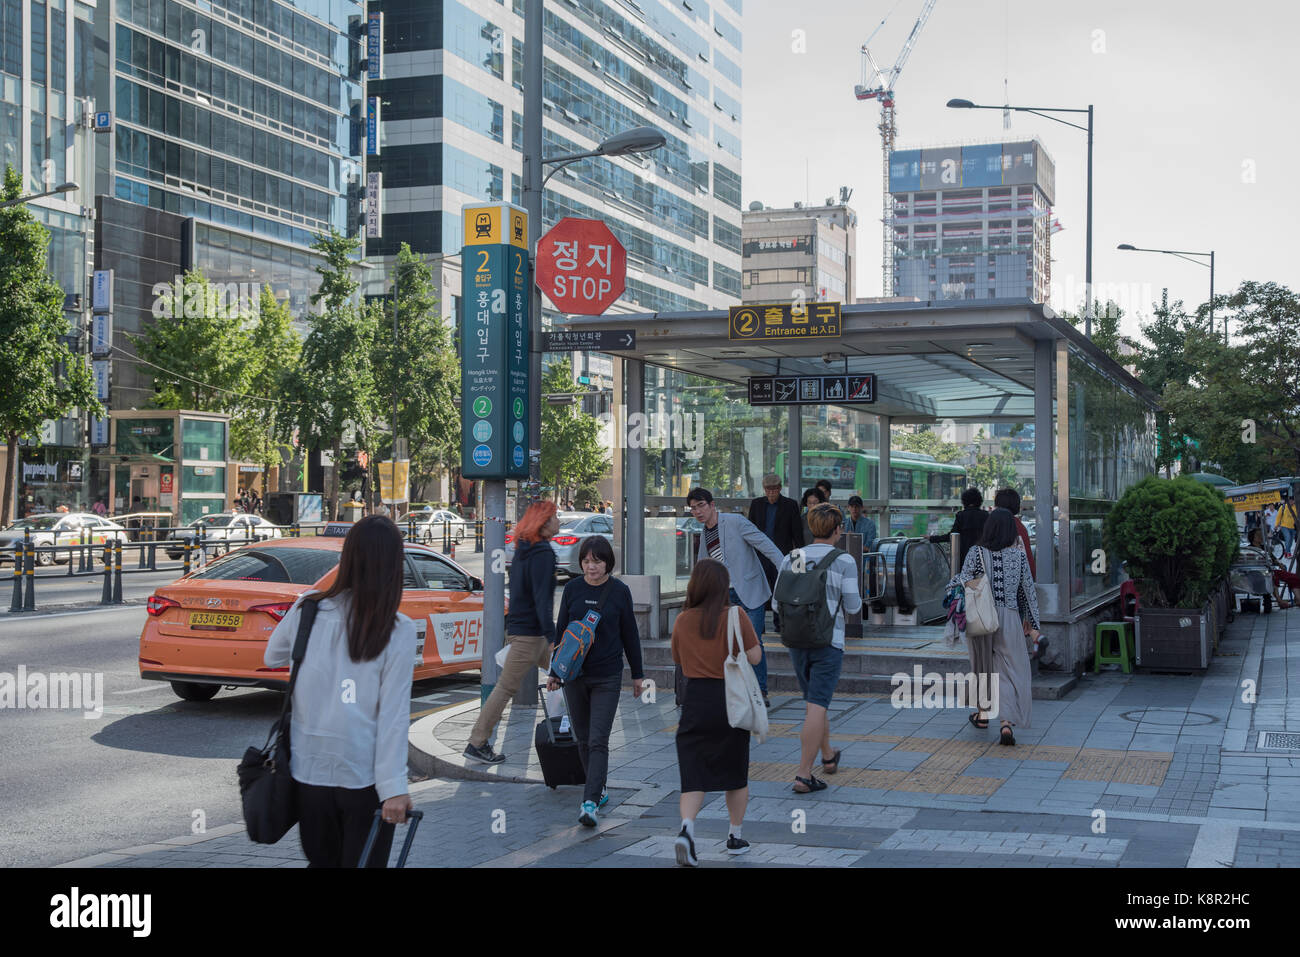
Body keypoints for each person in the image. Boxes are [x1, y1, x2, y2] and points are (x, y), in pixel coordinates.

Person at [263, 516, 415, 867]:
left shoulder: (309, 608)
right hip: (363, 777)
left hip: (308, 770)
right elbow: (393, 715)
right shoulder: (396, 630)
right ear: (393, 565)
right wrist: (394, 788)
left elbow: (272, 655)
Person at [670, 558, 762, 865]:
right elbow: (756, 656)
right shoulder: (736, 615)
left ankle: (686, 830)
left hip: (695, 701)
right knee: (735, 772)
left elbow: (678, 657)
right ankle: (734, 837)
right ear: (723, 587)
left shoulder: (682, 619)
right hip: (730, 701)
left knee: (693, 773)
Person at [548, 536, 644, 828]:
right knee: (584, 738)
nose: (591, 567)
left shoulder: (619, 592)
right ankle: (598, 788)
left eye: (597, 561)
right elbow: (562, 631)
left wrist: (638, 675)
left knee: (599, 739)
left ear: (608, 563)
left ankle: (589, 802)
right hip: (575, 676)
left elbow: (630, 634)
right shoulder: (573, 589)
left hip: (607, 676)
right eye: (587, 561)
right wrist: (555, 671)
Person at [774, 502, 862, 793]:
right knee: (816, 706)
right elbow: (853, 605)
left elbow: (777, 602)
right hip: (828, 641)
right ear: (838, 529)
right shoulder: (843, 560)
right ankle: (802, 775)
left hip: (796, 640)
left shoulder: (794, 557)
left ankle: (827, 756)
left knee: (814, 701)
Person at [465, 501, 559, 764]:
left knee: (570, 675)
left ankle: (579, 734)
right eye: (555, 516)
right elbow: (543, 600)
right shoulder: (542, 553)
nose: (558, 520)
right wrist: (552, 638)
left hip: (526, 632)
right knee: (506, 687)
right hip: (531, 636)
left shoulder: (523, 550)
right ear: (545, 522)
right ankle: (477, 742)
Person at [948, 508, 1040, 746]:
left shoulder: (976, 552)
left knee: (983, 667)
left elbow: (963, 579)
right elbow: (1027, 591)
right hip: (1009, 618)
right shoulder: (1019, 557)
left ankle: (983, 714)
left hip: (981, 616)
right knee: (1009, 670)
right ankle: (1006, 724)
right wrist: (1033, 622)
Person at [688, 487, 786, 706]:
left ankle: (760, 691)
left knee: (753, 643)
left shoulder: (735, 522)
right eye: (693, 508)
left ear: (712, 505)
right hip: (725, 597)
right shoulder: (704, 534)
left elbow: (764, 544)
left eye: (701, 505)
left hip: (751, 592)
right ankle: (736, 690)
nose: (697, 511)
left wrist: (784, 567)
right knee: (729, 645)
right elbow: (703, 568)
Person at [747, 474, 805, 610]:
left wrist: (799, 563)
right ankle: (759, 625)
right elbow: (750, 531)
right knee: (759, 591)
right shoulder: (756, 504)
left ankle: (780, 624)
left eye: (774, 489)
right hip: (760, 555)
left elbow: (797, 535)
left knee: (781, 590)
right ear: (764, 489)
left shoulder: (790, 505)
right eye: (768, 489)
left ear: (780, 489)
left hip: (782, 555)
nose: (771, 493)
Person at [931, 487, 988, 567]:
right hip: (982, 556)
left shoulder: (961, 516)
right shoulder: (986, 515)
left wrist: (931, 538)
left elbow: (951, 536)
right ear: (979, 500)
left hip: (964, 556)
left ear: (964, 501)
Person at [1248, 527, 1297, 609]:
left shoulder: (1265, 548)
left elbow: (1274, 559)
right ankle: (1279, 601)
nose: (1261, 537)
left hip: (1271, 570)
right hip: (1259, 573)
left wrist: (1280, 564)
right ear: (1253, 537)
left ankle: (1298, 599)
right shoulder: (1250, 549)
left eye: (1261, 535)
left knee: (1293, 577)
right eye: (1258, 535)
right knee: (1273, 578)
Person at [993, 488, 1036, 580]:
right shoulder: (1019, 527)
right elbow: (1028, 561)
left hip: (991, 583)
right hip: (1015, 583)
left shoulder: (991, 525)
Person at [799, 486, 826, 550]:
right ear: (806, 503)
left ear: (821, 502)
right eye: (810, 503)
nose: (812, 506)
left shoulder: (826, 518)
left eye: (815, 503)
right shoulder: (801, 519)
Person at [1278, 494, 1298, 559]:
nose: (1291, 502)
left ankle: (1286, 553)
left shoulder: (1296, 507)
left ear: (1294, 501)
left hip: (1293, 527)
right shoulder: (1283, 507)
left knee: (1291, 541)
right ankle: (1288, 553)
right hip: (1284, 526)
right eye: (1290, 500)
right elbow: (1278, 517)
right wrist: (1276, 525)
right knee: (1288, 538)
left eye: (1292, 500)